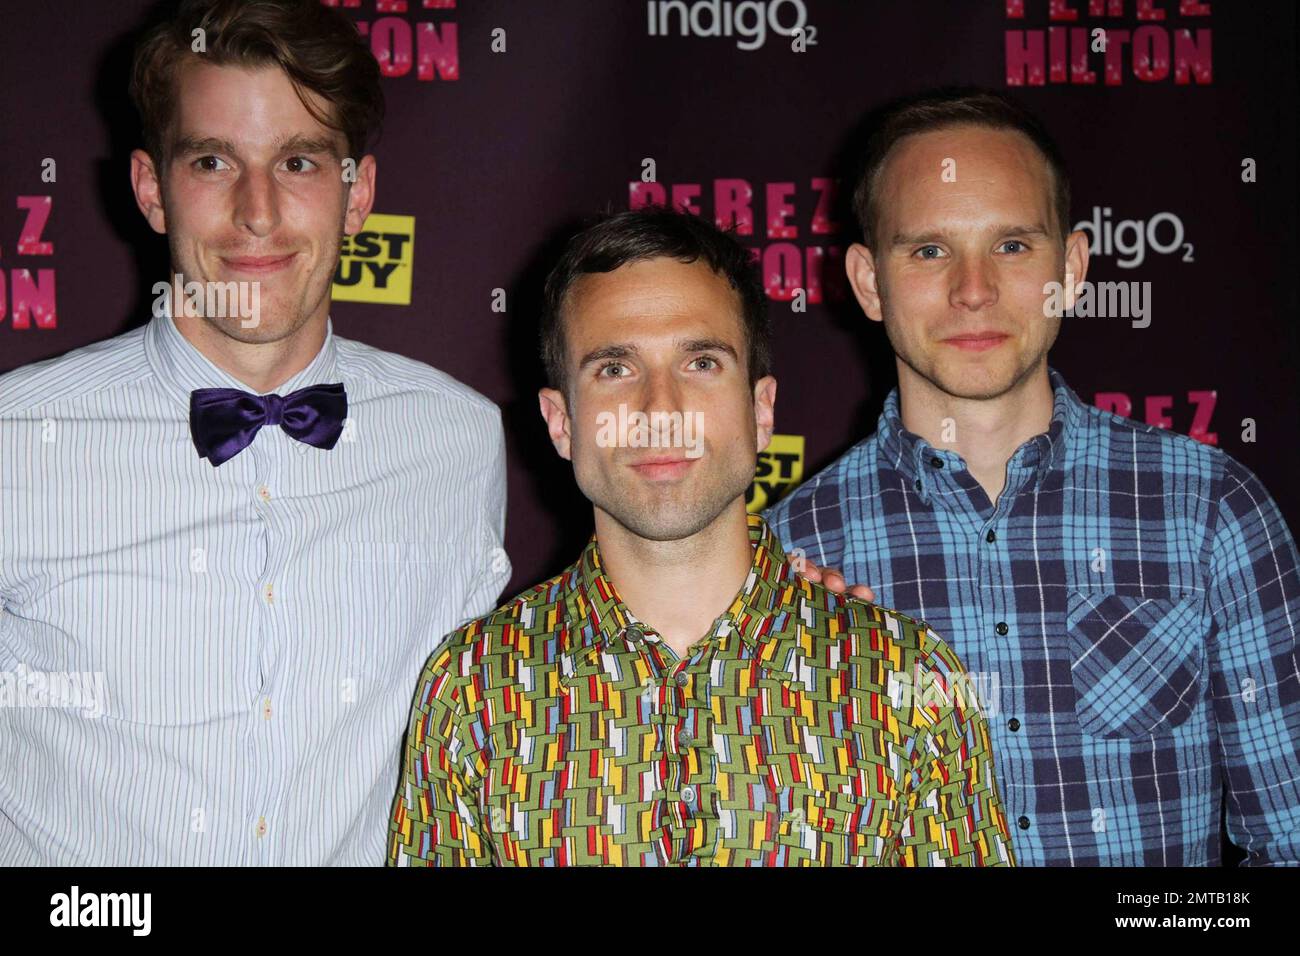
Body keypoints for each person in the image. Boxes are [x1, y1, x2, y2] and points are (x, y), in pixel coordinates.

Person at [0, 0, 509, 864]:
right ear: (151, 190)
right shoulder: (18, 441)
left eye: (300, 162)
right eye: (212, 161)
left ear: (359, 195)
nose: (259, 211)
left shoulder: (458, 443)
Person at [766, 87, 1300, 866]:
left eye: (1012, 246)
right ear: (870, 281)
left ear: (1073, 267)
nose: (973, 289)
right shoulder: (790, 557)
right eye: (929, 250)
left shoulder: (1211, 511)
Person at [386, 207, 1015, 866]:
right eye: (615, 369)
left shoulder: (906, 680)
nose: (661, 409)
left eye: (701, 363)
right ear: (560, 421)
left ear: (761, 408)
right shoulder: (474, 690)